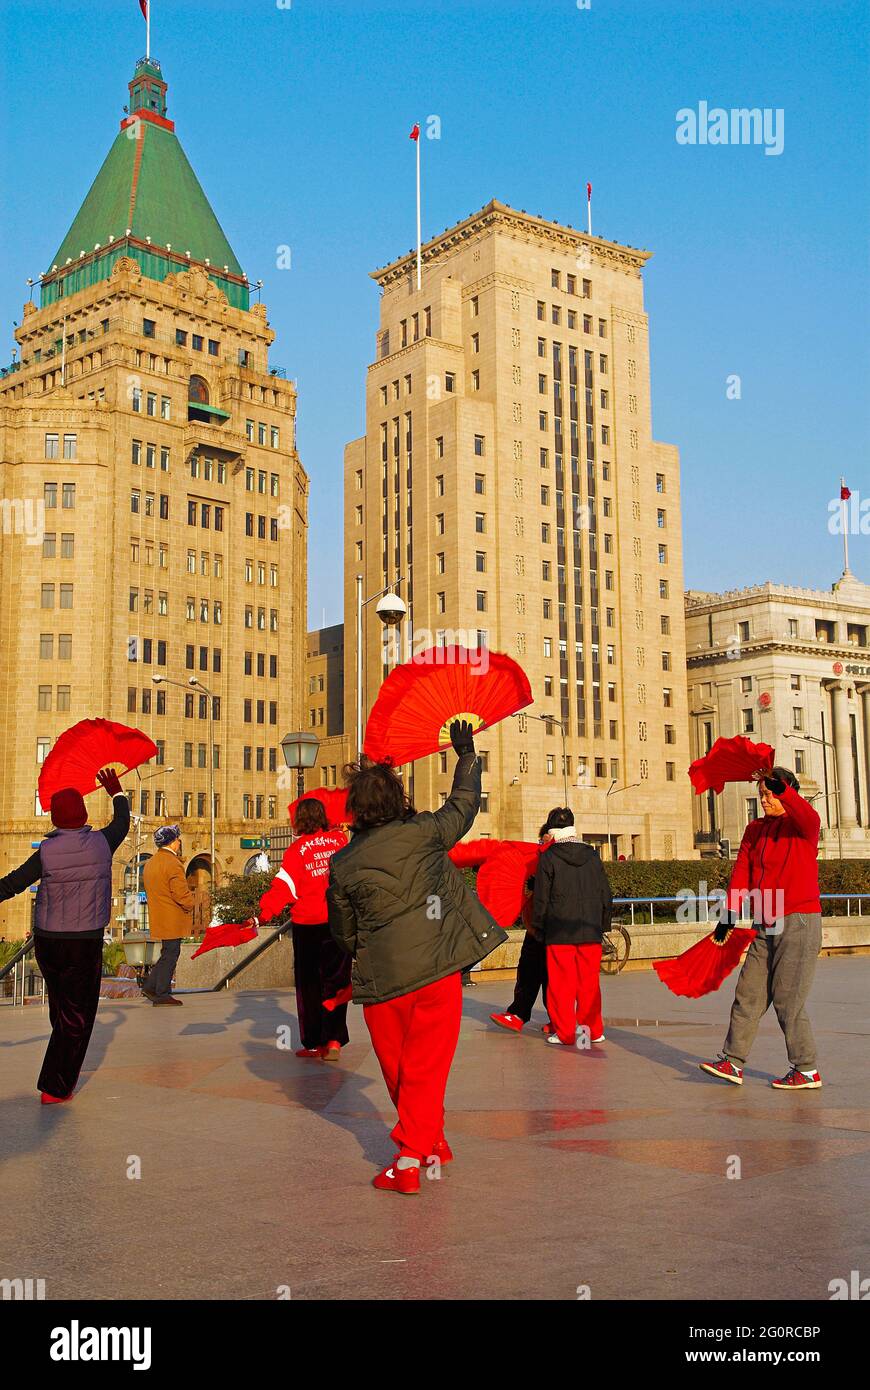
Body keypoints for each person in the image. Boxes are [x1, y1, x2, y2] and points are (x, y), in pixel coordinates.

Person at [327, 720, 507, 1195]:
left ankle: (416, 1151)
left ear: (356, 811)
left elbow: (342, 930)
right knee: (426, 1068)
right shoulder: (426, 832)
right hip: (437, 972)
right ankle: (420, 1149)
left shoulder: (342, 865)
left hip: (383, 985)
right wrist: (465, 754)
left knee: (400, 1070)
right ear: (397, 799)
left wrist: (363, 953)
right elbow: (463, 807)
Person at [0, 767, 130, 1103]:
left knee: (61, 1006)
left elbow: (13, 883)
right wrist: (115, 791)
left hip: (48, 942)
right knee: (77, 1016)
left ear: (56, 819)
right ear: (84, 815)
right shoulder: (102, 842)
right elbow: (123, 822)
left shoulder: (46, 852)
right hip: (82, 943)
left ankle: (60, 1063)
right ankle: (55, 1087)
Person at [700, 767, 823, 1090]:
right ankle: (733, 1061)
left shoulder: (802, 826)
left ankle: (806, 1068)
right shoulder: (755, 830)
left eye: (770, 794)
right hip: (764, 920)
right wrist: (728, 914)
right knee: (748, 993)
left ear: (786, 793)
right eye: (763, 794)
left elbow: (807, 814)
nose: (765, 799)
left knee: (788, 998)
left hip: (799, 919)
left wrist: (781, 788)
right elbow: (742, 873)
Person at [249, 798, 349, 1060]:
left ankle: (314, 1042)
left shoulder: (297, 851)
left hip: (307, 925)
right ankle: (335, 1039)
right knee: (336, 981)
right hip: (338, 922)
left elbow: (283, 888)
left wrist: (262, 914)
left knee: (309, 985)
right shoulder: (339, 842)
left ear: (299, 820)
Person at [531, 807, 613, 1048]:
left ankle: (566, 1032)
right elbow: (605, 894)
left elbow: (541, 898)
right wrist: (603, 925)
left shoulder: (549, 858)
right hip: (590, 930)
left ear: (552, 830)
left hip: (559, 931)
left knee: (561, 984)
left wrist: (539, 927)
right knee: (589, 984)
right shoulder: (592, 855)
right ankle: (592, 1031)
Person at [490, 822, 552, 1033]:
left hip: (553, 930)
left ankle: (557, 1019)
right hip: (535, 928)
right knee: (528, 972)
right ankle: (518, 1014)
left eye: (545, 840)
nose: (543, 844)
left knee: (550, 977)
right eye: (541, 840)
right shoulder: (536, 860)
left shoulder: (560, 860)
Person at [141, 826, 194, 1006]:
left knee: (167, 952)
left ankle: (150, 986)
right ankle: (161, 993)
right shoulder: (173, 863)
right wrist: (191, 904)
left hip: (159, 914)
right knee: (171, 953)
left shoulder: (152, 862)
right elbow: (180, 892)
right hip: (173, 915)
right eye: (178, 839)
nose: (179, 843)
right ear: (172, 842)